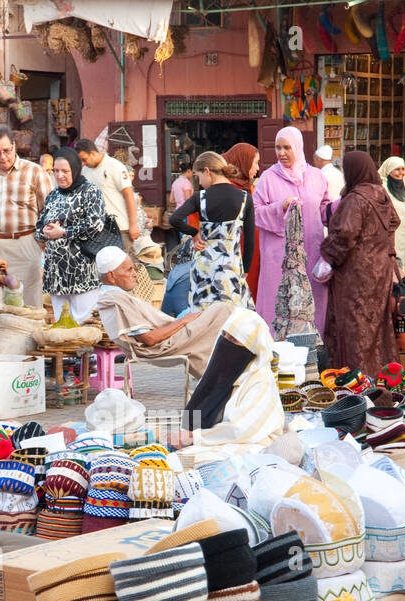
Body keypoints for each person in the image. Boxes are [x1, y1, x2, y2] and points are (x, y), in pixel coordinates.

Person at [164, 307, 284, 465]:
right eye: (223, 335)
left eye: (234, 340)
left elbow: (241, 429)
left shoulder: (260, 380)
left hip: (252, 444)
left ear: (250, 349)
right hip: (220, 440)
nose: (225, 343)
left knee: (183, 461)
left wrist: (193, 438)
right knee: (168, 455)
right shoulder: (224, 373)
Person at [94, 246, 233, 379]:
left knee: (217, 312)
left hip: (166, 340)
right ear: (111, 276)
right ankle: (229, 374)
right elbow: (150, 339)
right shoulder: (116, 298)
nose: (134, 274)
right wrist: (184, 320)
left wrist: (185, 318)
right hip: (160, 347)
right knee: (222, 310)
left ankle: (223, 374)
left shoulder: (112, 295)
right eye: (129, 270)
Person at [321, 151, 401, 371]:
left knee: (355, 327)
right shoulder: (380, 193)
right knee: (376, 326)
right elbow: (394, 221)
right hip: (380, 269)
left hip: (357, 274)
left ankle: (357, 379)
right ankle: (382, 374)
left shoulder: (356, 198)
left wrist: (328, 256)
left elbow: (345, 234)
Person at [252, 127, 330, 335]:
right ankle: (275, 350)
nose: (282, 152)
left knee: (313, 298)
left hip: (311, 252)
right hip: (278, 256)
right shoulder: (268, 178)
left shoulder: (317, 177)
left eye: (287, 147)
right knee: (277, 300)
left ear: (298, 147)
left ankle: (313, 350)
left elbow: (325, 209)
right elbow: (255, 212)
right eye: (278, 148)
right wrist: (280, 207)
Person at [0, 126, 51, 313]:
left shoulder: (35, 172)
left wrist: (45, 251)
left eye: (7, 150)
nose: (3, 157)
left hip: (26, 244)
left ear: (14, 146)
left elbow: (49, 215)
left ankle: (29, 342)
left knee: (30, 305)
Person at [169, 151, 255, 311]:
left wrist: (194, 233)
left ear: (207, 171)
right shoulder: (244, 198)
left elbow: (174, 219)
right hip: (231, 267)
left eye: (199, 176)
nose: (200, 182)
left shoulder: (199, 197)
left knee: (202, 317)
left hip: (205, 268)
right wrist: (246, 270)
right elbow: (250, 241)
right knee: (232, 317)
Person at [34, 148, 105, 324]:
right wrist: (45, 232)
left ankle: (86, 354)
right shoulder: (53, 195)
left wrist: (64, 232)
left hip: (82, 271)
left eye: (65, 171)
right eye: (56, 171)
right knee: (61, 324)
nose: (59, 176)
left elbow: (96, 224)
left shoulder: (90, 192)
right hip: (57, 273)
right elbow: (38, 226)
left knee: (85, 322)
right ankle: (66, 354)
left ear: (74, 169)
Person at [75, 138, 138, 251]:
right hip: (96, 230)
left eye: (84, 159)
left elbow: (129, 195)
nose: (83, 163)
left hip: (120, 228)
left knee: (123, 265)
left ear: (93, 153)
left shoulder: (114, 166)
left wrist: (133, 225)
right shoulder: (85, 171)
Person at [223, 142, 261, 298]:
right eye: (256, 162)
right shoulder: (228, 189)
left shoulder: (247, 187)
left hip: (251, 253)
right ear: (244, 162)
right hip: (236, 253)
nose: (258, 168)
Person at [377, 156, 405, 271]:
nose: (401, 173)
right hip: (388, 234)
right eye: (397, 169)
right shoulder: (382, 187)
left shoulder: (403, 186)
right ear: (388, 170)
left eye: (403, 169)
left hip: (402, 233)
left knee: (401, 265)